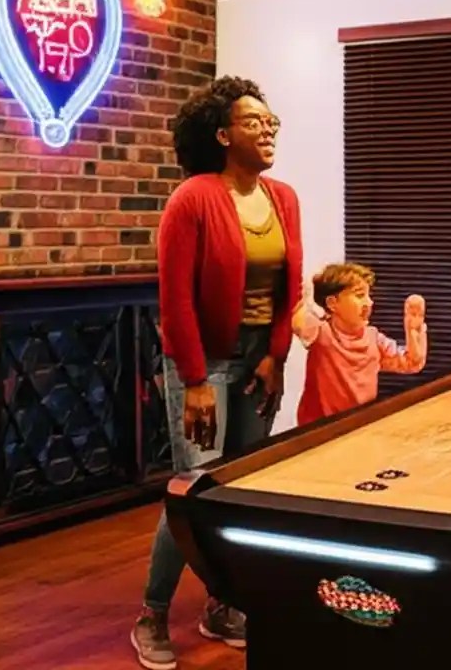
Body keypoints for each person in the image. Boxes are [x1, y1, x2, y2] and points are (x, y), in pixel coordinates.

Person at [133, 76, 303, 670]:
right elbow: (174, 297)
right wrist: (196, 380)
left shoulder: (283, 197)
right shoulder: (193, 198)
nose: (268, 128)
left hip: (259, 359)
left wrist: (276, 355)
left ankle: (222, 605)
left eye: (270, 119)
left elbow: (289, 288)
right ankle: (152, 613)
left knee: (243, 485)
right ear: (224, 135)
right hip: (203, 360)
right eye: (254, 122)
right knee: (195, 491)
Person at [293, 262, 428, 426]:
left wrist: (414, 332)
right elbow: (296, 315)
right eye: (359, 295)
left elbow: (412, 362)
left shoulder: (374, 339)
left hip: (360, 426)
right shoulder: (320, 332)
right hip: (319, 431)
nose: (369, 303)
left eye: (368, 295)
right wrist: (300, 288)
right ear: (332, 303)